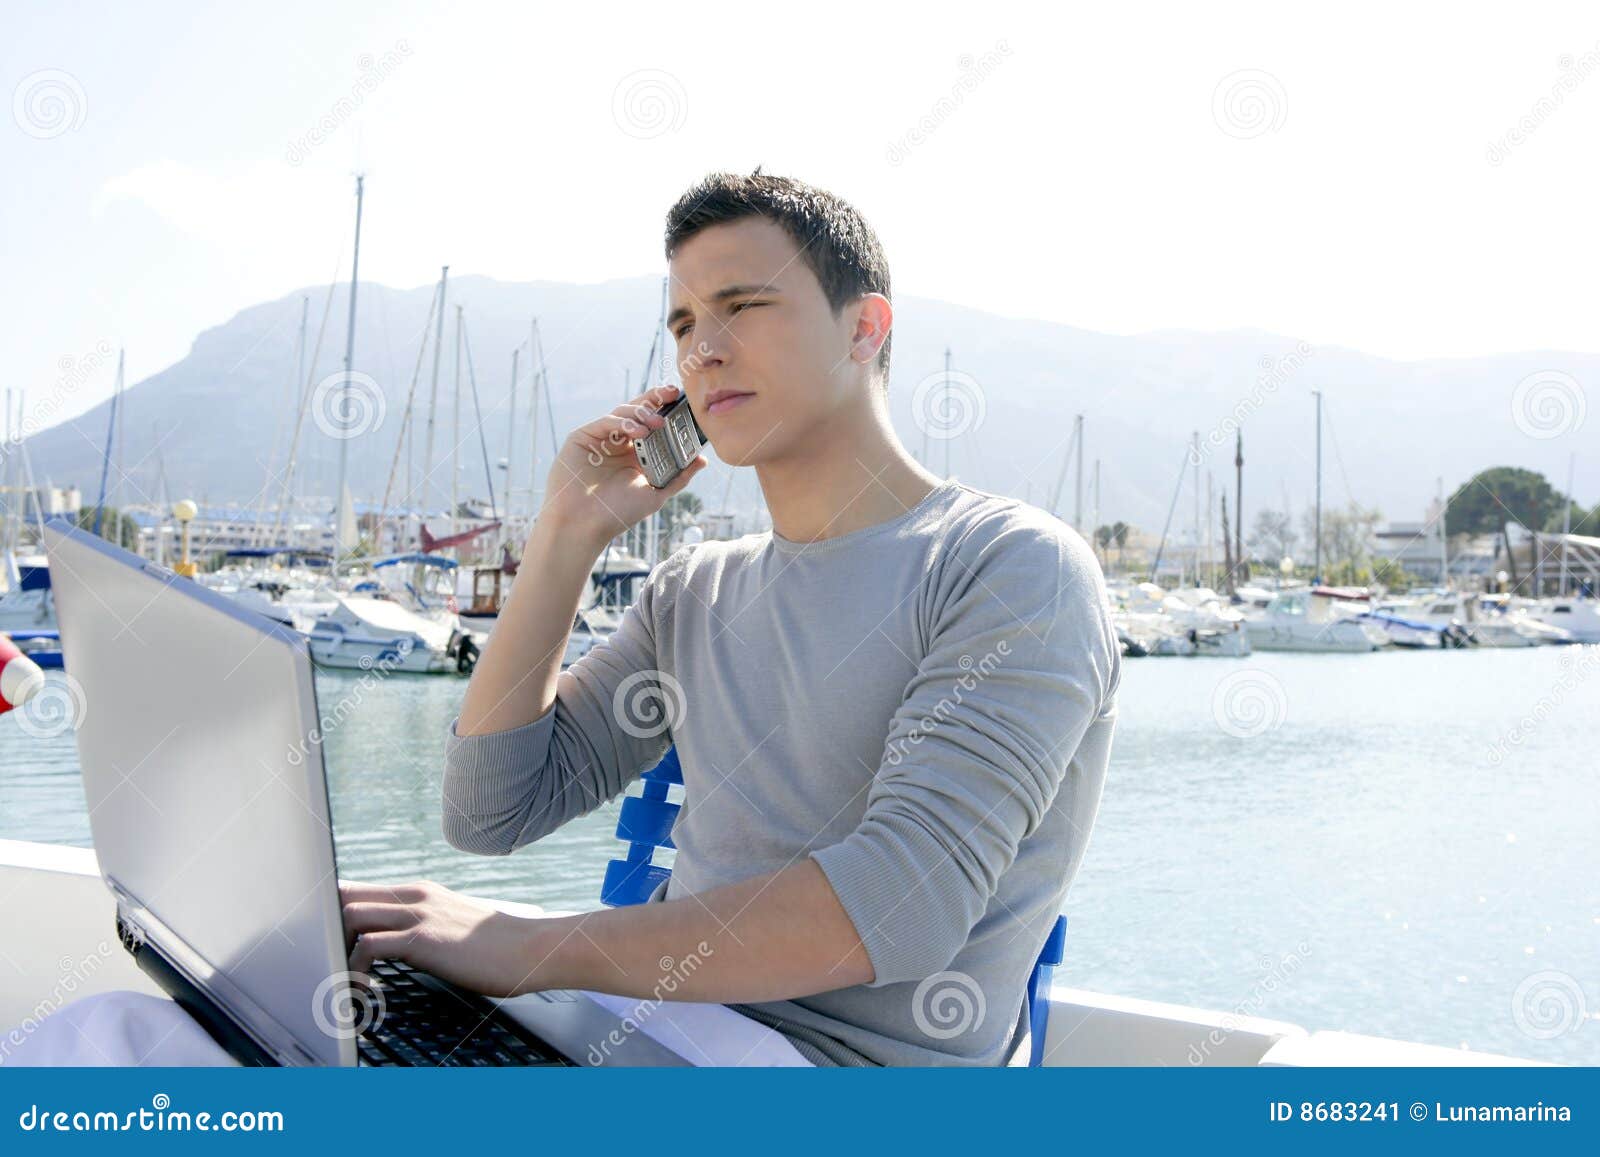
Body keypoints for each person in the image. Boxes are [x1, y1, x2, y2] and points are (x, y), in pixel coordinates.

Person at [341, 170, 1122, 1066]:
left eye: (742, 306)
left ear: (864, 328)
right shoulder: (693, 590)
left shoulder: (1012, 566)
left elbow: (900, 907)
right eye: (681, 325)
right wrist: (566, 532)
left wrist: (521, 947)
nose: (702, 350)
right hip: (652, 1033)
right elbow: (491, 809)